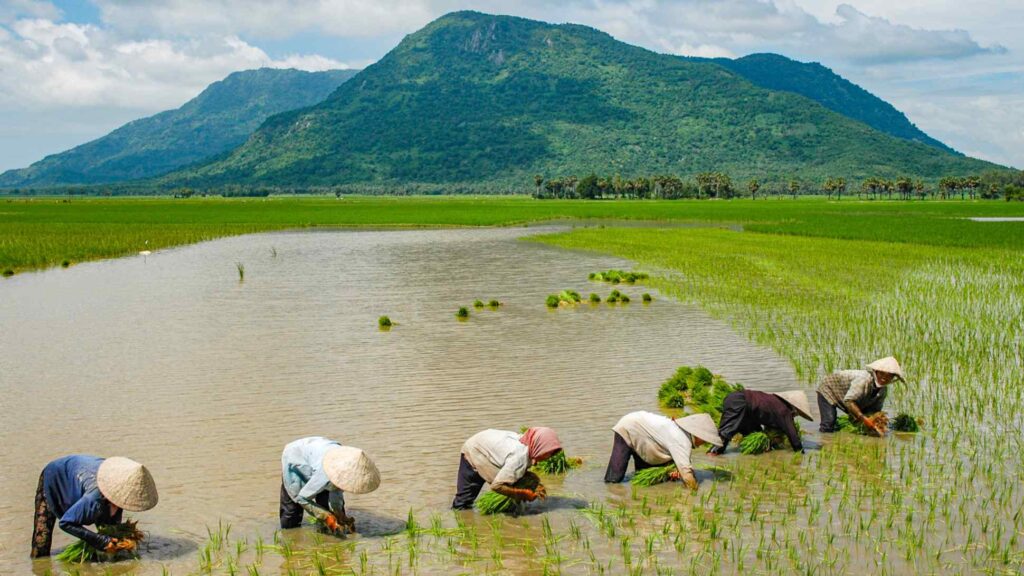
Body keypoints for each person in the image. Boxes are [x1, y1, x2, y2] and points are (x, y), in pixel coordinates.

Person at [31, 455, 158, 558]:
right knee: (41, 544)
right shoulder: (94, 498)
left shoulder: (120, 492)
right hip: (55, 475)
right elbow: (66, 523)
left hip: (82, 470)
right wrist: (100, 540)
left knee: (110, 531)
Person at [280, 437, 380, 535]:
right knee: (292, 511)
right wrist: (326, 516)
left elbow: (337, 490)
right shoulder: (324, 474)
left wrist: (339, 513)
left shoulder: (345, 466)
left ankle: (328, 535)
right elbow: (301, 498)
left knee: (327, 505)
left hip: (318, 455)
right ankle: (289, 536)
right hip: (295, 458)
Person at [604, 412, 723, 490]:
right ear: (699, 435)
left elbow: (673, 456)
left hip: (645, 438)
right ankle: (610, 496)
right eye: (705, 440)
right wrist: (694, 491)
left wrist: (673, 470)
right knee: (614, 480)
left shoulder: (680, 433)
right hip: (628, 427)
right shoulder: (681, 440)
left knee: (642, 479)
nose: (703, 444)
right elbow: (686, 474)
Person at [452, 427, 562, 510]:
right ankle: (459, 517)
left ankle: (512, 508)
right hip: (474, 450)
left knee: (529, 478)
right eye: (547, 453)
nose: (548, 458)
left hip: (486, 446)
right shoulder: (519, 457)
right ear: (539, 446)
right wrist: (522, 494)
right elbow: (496, 486)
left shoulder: (528, 442)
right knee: (463, 503)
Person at [817, 356, 905, 436]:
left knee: (859, 423)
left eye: (889, 376)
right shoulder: (863, 380)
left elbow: (875, 411)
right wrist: (864, 419)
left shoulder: (883, 390)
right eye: (882, 374)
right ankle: (824, 441)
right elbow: (849, 402)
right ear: (876, 372)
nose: (884, 378)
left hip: (846, 394)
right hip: (829, 389)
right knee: (829, 423)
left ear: (893, 378)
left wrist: (877, 421)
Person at [708, 390, 813, 454]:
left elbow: (766, 417)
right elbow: (792, 434)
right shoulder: (784, 410)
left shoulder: (774, 401)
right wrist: (800, 452)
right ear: (794, 407)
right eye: (797, 413)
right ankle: (712, 454)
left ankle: (721, 455)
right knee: (726, 433)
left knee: (756, 434)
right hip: (740, 402)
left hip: (740, 403)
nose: (795, 415)